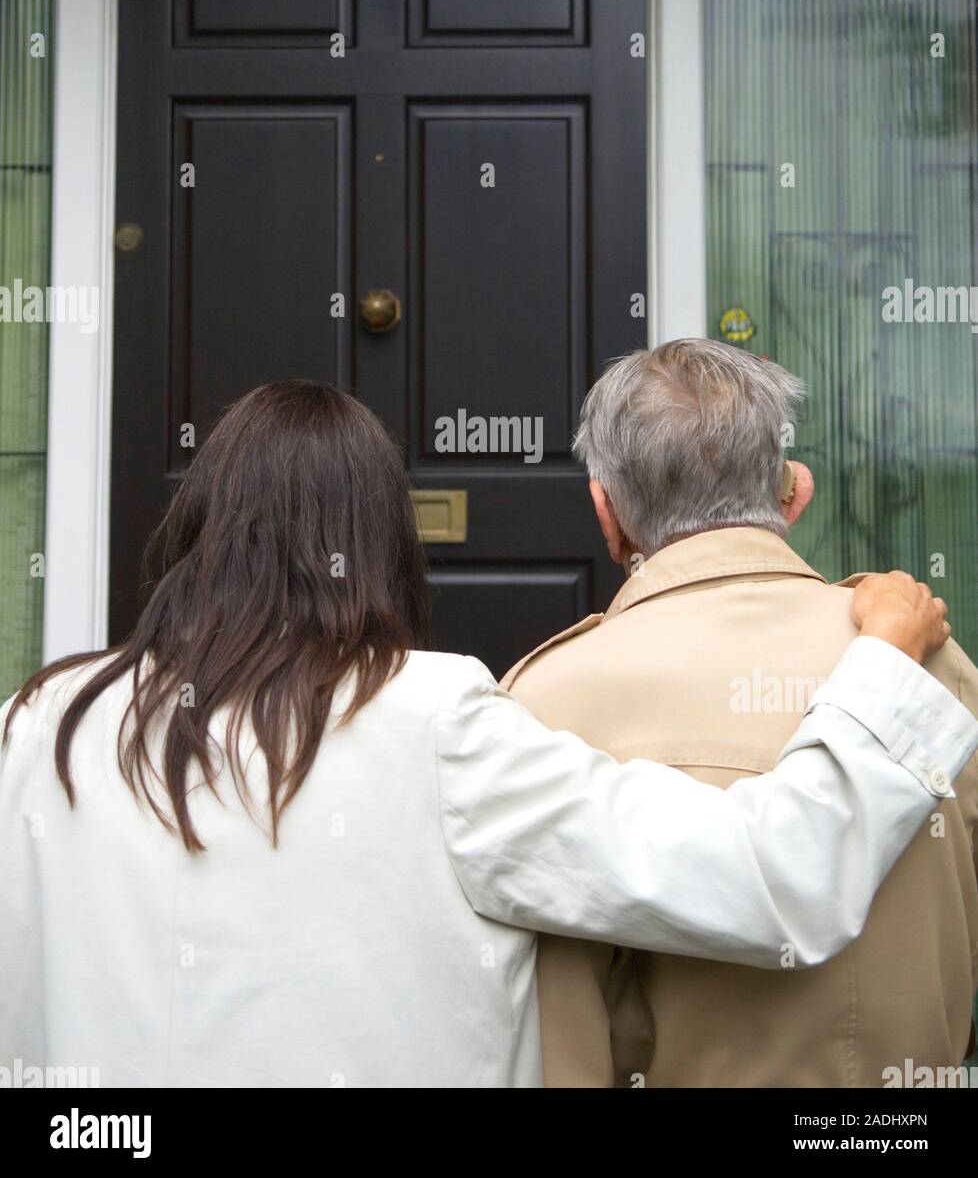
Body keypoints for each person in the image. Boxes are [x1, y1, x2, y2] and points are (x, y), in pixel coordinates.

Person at [1, 379, 973, 1089]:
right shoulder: (437, 723)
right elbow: (774, 879)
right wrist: (883, 672)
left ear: (195, 532)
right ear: (384, 549)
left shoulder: (41, 725)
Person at [504, 340, 978, 1088]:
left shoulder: (546, 701)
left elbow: (556, 1028)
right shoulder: (930, 666)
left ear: (607, 514)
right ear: (795, 492)